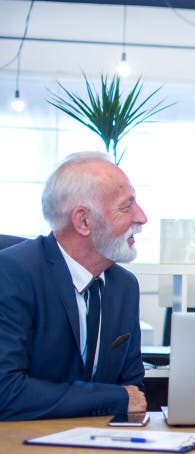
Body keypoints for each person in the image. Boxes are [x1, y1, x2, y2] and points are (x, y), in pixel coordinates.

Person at [0, 152, 148, 420]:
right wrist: (114, 397)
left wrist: (122, 397)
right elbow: (6, 393)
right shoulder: (11, 274)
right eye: (126, 207)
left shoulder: (125, 286)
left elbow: (134, 390)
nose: (142, 217)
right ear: (83, 221)